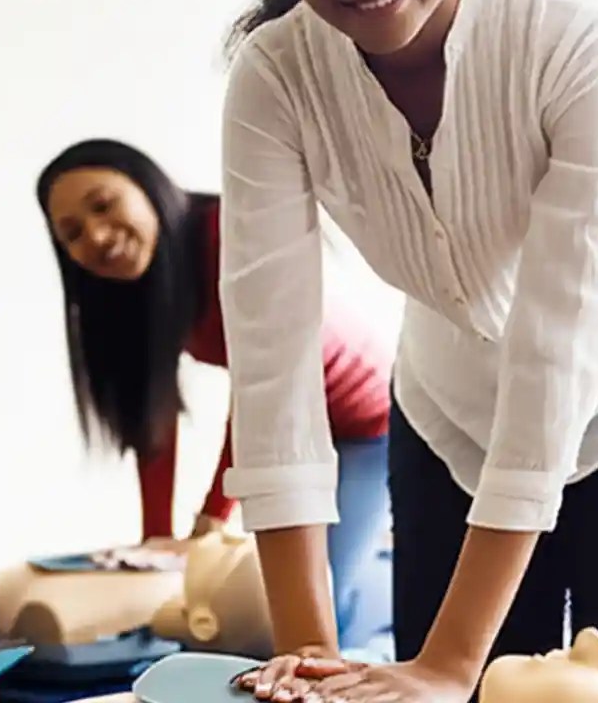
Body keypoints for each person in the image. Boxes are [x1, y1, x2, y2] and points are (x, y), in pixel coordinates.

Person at [214, 0, 598, 701]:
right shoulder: (274, 76)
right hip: (451, 404)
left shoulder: (575, 33)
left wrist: (454, 665)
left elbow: (557, 350)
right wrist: (306, 653)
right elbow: (273, 364)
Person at [34, 138, 394, 650]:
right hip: (288, 426)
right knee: (274, 601)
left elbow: (260, 393)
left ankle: (384, 625)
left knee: (315, 606)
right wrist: (156, 543)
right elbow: (151, 419)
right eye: (71, 233)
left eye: (103, 204)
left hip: (366, 423)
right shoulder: (132, 292)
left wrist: (209, 523)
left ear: (147, 186)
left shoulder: (229, 235)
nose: (96, 235)